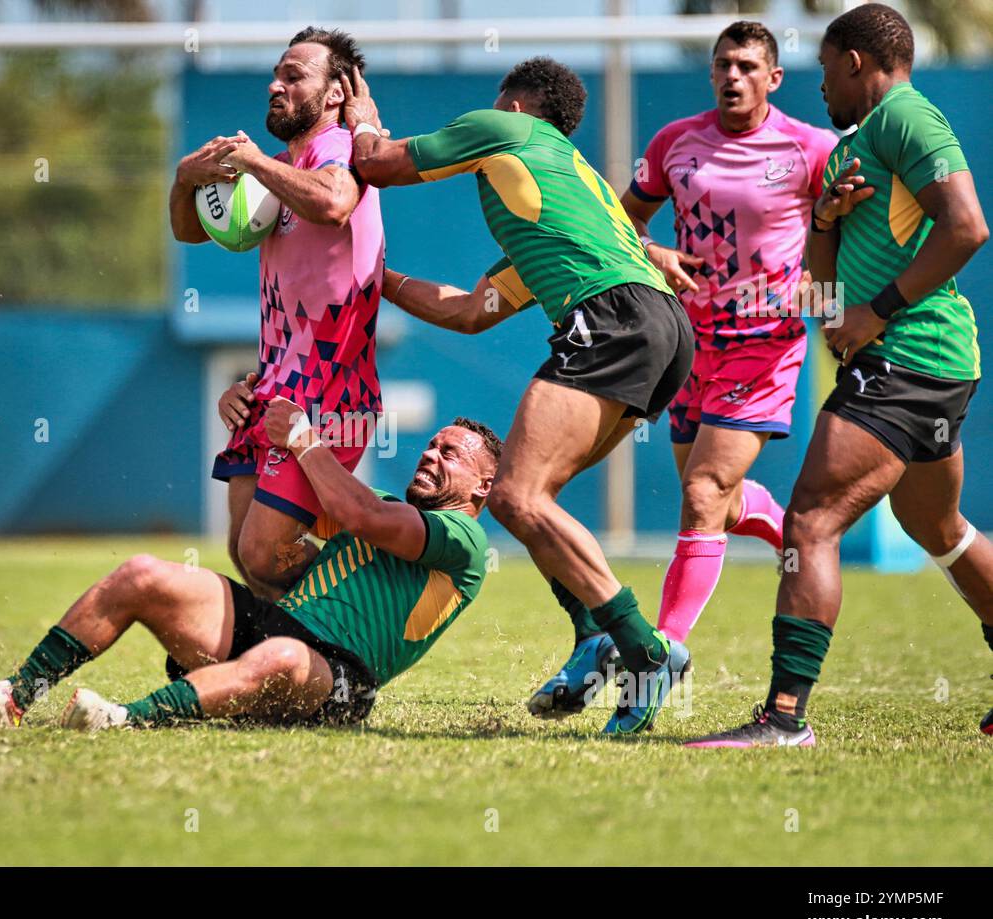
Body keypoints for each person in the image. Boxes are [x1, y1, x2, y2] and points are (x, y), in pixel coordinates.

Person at [342, 56, 694, 734]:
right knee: (532, 500)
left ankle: (646, 653)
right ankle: (594, 637)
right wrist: (380, 279)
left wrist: (363, 126)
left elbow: (379, 164)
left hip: (611, 318)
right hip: (661, 326)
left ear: (516, 106)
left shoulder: (503, 129)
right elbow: (474, 309)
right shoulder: (561, 192)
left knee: (513, 497)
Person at [687, 4, 992, 746]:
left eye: (825, 70)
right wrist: (824, 222)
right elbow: (820, 297)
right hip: (924, 363)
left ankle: (784, 718)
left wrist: (877, 313)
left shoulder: (908, 120)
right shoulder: (860, 143)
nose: (820, 87)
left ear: (856, 61)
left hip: (908, 356)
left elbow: (968, 227)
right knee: (939, 527)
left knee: (811, 523)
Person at [531, 21, 836, 709]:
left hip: (765, 345)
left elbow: (848, 231)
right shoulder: (675, 142)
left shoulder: (811, 150)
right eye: (723, 64)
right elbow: (617, 218)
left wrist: (833, 300)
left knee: (700, 496)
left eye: (748, 66)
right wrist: (657, 253)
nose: (733, 76)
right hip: (689, 344)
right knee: (714, 505)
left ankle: (655, 657)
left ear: (774, 77)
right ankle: (789, 533)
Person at [0, 404, 499, 730]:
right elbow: (255, 533)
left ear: (483, 486)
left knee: (281, 656)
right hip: (273, 626)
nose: (430, 454)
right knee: (142, 573)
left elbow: (363, 514)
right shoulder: (377, 503)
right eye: (430, 446)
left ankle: (124, 719)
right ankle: (14, 697)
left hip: (341, 680)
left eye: (450, 454)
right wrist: (247, 435)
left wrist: (302, 439)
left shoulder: (463, 540)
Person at [170, 26, 384, 601]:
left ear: (336, 92)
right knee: (249, 554)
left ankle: (385, 592)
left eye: (294, 76)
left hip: (332, 385)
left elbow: (335, 202)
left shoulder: (341, 148)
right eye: (276, 74)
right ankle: (301, 680)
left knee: (267, 552)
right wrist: (186, 179)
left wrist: (257, 162)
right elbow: (188, 232)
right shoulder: (278, 177)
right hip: (273, 385)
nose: (275, 85)